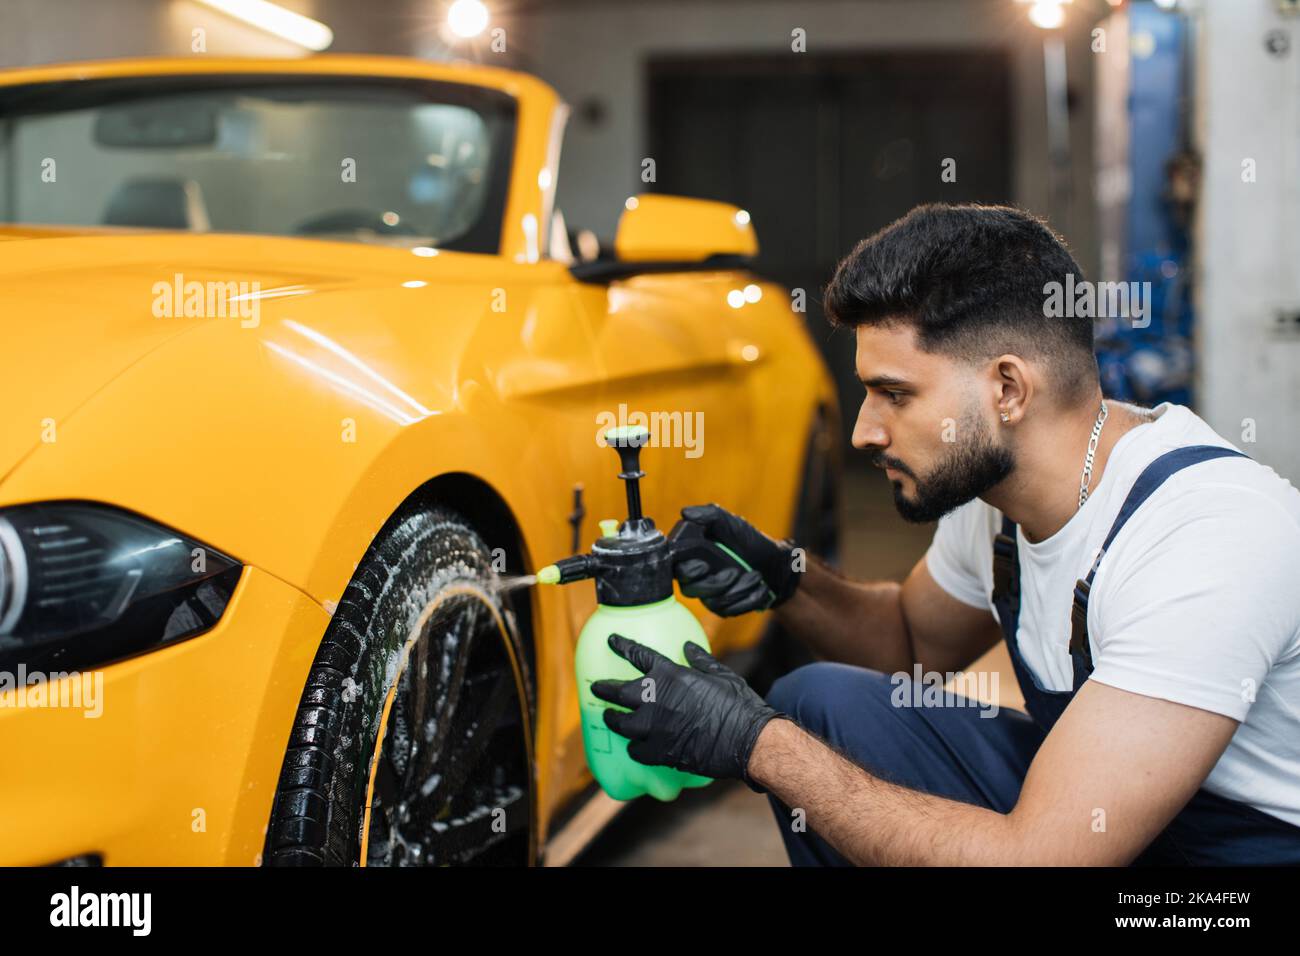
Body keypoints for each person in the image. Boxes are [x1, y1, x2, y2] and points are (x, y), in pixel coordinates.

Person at [589, 203, 1300, 865]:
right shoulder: (998, 494)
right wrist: (786, 577)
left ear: (1008, 391)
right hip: (1113, 817)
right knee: (821, 705)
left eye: (896, 395)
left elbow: (1045, 859)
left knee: (793, 741)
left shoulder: (1205, 537)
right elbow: (910, 645)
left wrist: (755, 745)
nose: (865, 432)